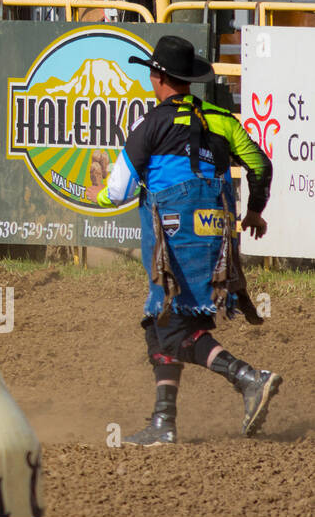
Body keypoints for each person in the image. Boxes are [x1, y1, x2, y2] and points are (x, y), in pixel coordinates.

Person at [86, 35, 278, 446]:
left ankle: (248, 377)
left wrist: (95, 193)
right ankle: (163, 421)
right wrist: (255, 210)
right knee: (161, 324)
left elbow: (118, 191)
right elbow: (261, 166)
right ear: (187, 79)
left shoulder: (150, 124)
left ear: (158, 77)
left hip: (176, 235)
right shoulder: (223, 120)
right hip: (217, 233)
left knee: (172, 326)